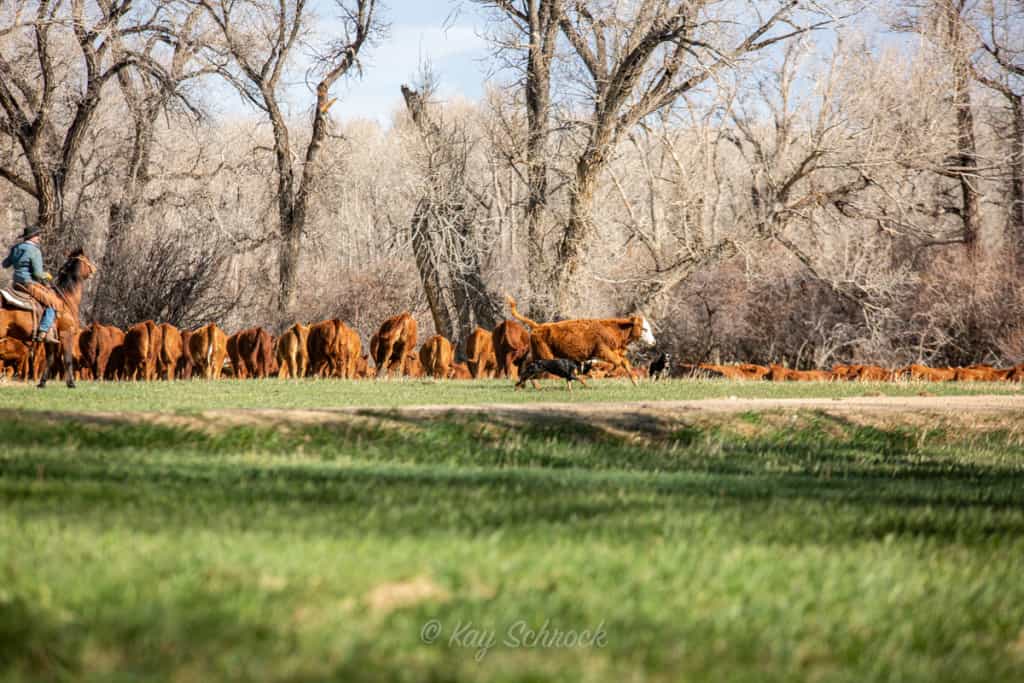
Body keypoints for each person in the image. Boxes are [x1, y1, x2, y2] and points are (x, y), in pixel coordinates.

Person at [2, 225, 59, 341]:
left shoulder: (16, 248)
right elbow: (38, 274)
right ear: (32, 237)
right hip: (29, 284)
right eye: (37, 235)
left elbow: (5, 264)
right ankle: (44, 332)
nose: (39, 238)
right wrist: (46, 275)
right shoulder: (35, 250)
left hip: (16, 284)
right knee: (52, 303)